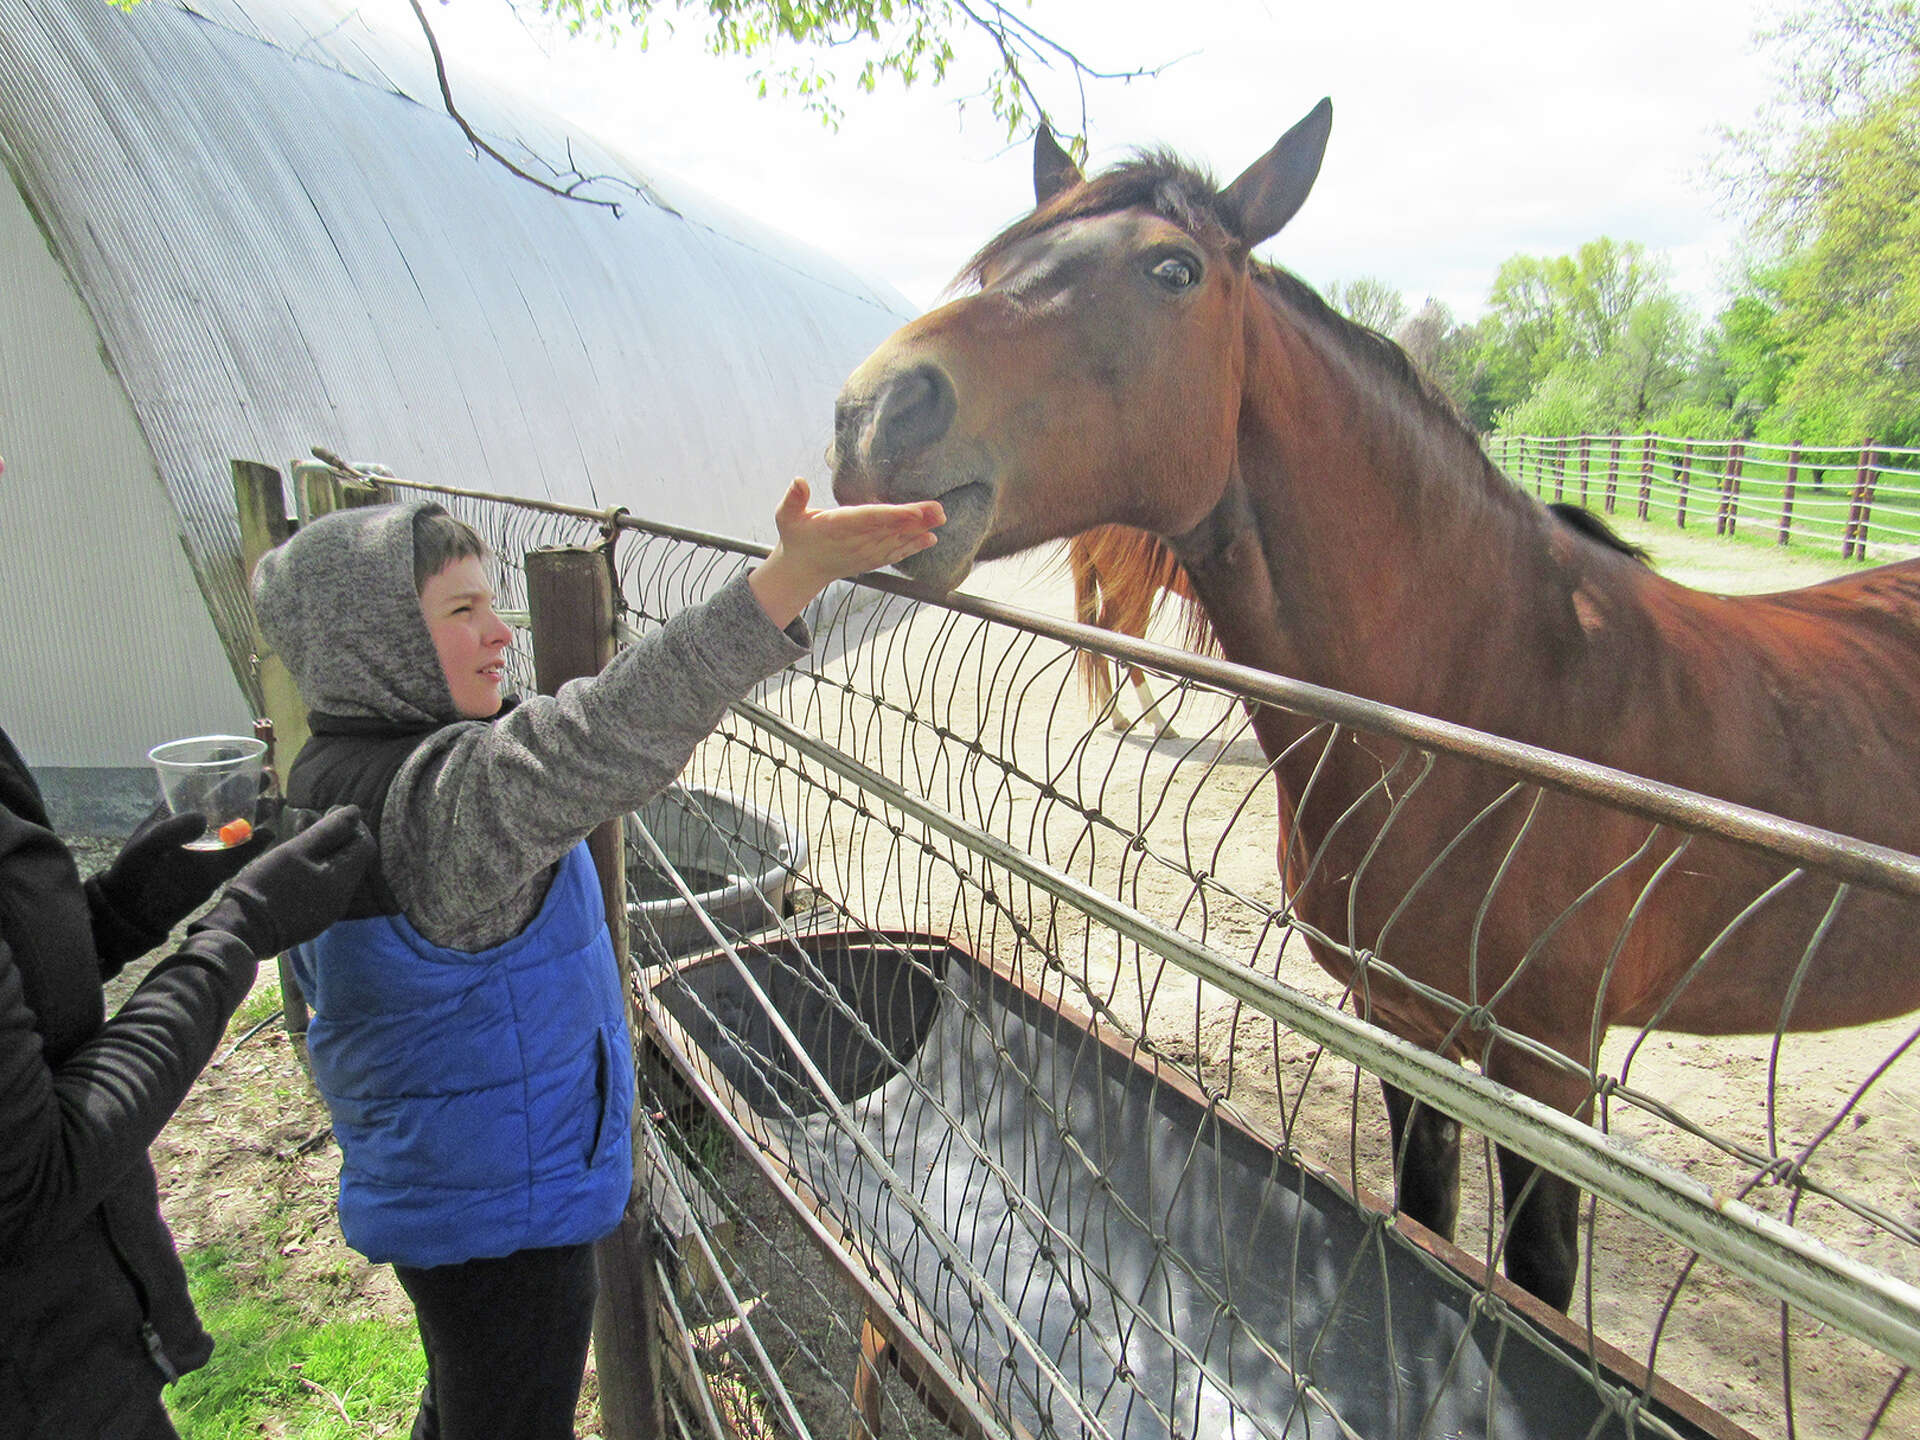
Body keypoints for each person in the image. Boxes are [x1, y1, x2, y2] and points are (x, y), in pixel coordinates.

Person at [251, 477, 943, 1440]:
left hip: (446, 1180)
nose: (501, 635)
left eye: (495, 604)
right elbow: (612, 727)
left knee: (471, 1395)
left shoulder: (333, 768)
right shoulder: (444, 808)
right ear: (380, 647)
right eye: (461, 611)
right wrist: (791, 577)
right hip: (506, 1213)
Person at [0, 726, 378, 1440]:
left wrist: (123, 907)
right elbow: (27, 1175)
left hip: (82, 1345)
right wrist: (235, 935)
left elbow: (25, 1003)